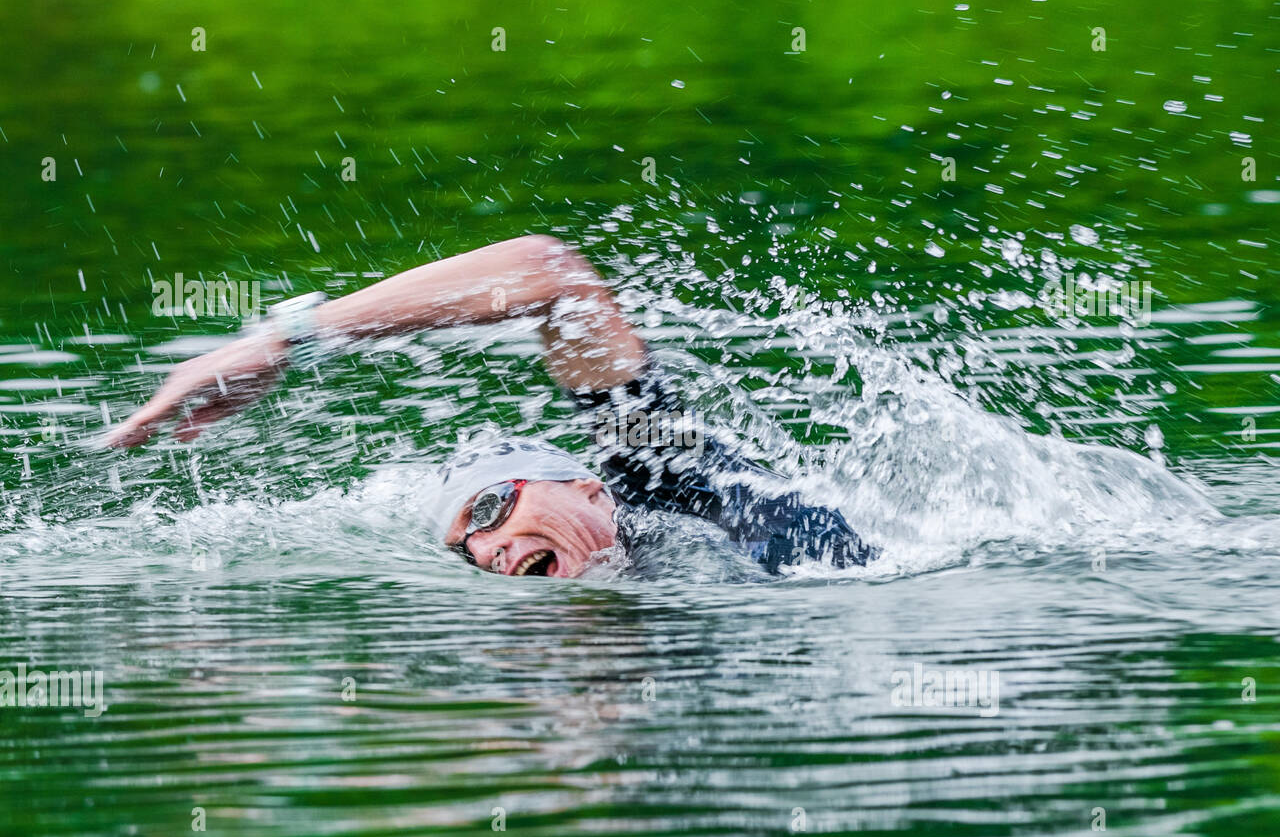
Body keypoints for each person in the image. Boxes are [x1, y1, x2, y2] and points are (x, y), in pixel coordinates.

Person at [105, 235, 876, 578]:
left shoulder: (661, 470)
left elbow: (552, 277)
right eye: (462, 548)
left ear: (585, 486)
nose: (484, 551)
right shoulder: (586, 619)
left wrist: (290, 337)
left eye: (489, 510)